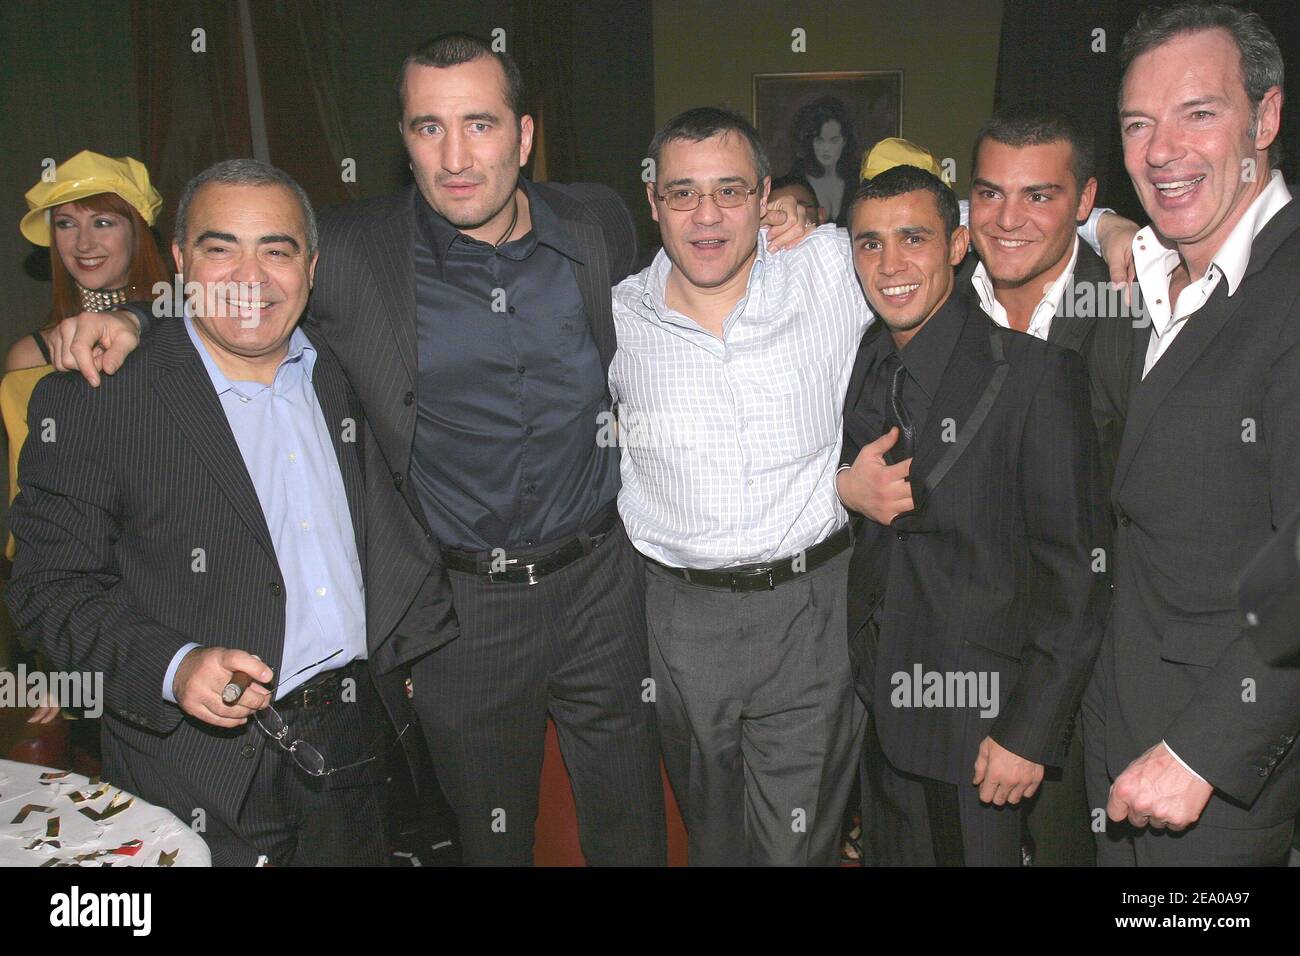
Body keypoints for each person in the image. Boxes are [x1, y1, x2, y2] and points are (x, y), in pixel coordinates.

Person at [6, 159, 404, 865]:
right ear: (183, 261)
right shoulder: (94, 399)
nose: (251, 279)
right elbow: (47, 591)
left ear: (310, 266)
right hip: (198, 769)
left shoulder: (345, 372)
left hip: (354, 747)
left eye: (276, 250)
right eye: (222, 249)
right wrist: (175, 664)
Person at [611, 107, 870, 865]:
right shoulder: (616, 313)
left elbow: (970, 221)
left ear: (764, 197)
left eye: (729, 192)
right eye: (684, 193)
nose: (707, 216)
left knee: (795, 847)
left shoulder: (826, 268)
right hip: (681, 620)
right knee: (716, 843)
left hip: (811, 611)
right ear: (653, 201)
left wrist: (1114, 229)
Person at [838, 164, 1111, 866]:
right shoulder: (867, 359)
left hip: (981, 735)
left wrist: (1029, 732)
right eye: (869, 243)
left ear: (959, 245)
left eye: (913, 238)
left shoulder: (1035, 375)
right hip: (881, 717)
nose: (890, 264)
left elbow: (1077, 580)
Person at [1083, 1, 1300, 866]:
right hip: (1118, 735)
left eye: (1198, 115)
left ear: (1267, 116)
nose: (1162, 151)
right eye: (1139, 124)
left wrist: (1205, 748)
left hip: (1216, 778)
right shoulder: (1151, 282)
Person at [964, 105, 1136, 865]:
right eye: (990, 193)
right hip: (950, 666)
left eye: (1039, 195)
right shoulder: (928, 301)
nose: (1008, 219)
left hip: (1083, 671)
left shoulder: (1132, 310)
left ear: (1085, 201)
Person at [3, 151, 169, 729]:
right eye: (66, 223)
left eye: (103, 220)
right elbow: (39, 525)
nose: (82, 241)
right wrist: (58, 657)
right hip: (107, 610)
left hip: (192, 581)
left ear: (137, 227)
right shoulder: (32, 356)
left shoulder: (191, 330)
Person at [790, 96, 859, 226]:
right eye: (820, 140)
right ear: (811, 142)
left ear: (844, 141)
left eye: (834, 140)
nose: (826, 148)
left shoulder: (856, 182)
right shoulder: (798, 182)